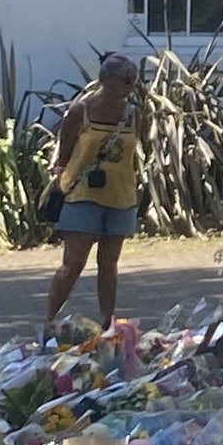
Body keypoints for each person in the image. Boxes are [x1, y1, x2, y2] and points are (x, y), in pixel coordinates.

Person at [42, 55, 146, 334]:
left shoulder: (134, 114)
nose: (131, 86)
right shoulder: (80, 112)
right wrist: (61, 183)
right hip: (84, 195)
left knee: (109, 264)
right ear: (107, 81)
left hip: (121, 196)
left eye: (134, 81)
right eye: (125, 80)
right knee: (73, 263)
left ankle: (106, 323)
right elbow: (63, 157)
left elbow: (133, 153)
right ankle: (50, 319)